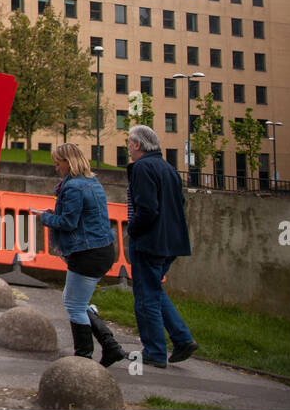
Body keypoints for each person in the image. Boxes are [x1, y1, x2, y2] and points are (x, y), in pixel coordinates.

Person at [32, 143, 127, 366]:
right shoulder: (91, 182)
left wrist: (43, 217)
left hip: (88, 253)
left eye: (58, 163)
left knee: (74, 305)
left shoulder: (73, 187)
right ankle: (111, 346)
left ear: (69, 162)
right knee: (75, 301)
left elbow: (68, 222)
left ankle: (84, 356)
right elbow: (80, 218)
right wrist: (51, 213)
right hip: (100, 250)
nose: (56, 168)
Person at [125, 124, 198, 368]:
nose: (128, 148)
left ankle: (155, 351)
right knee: (153, 290)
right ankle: (182, 338)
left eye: (129, 143)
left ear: (137, 144)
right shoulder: (168, 169)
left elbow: (147, 208)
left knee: (146, 297)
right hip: (171, 241)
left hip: (149, 241)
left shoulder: (142, 168)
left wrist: (132, 230)